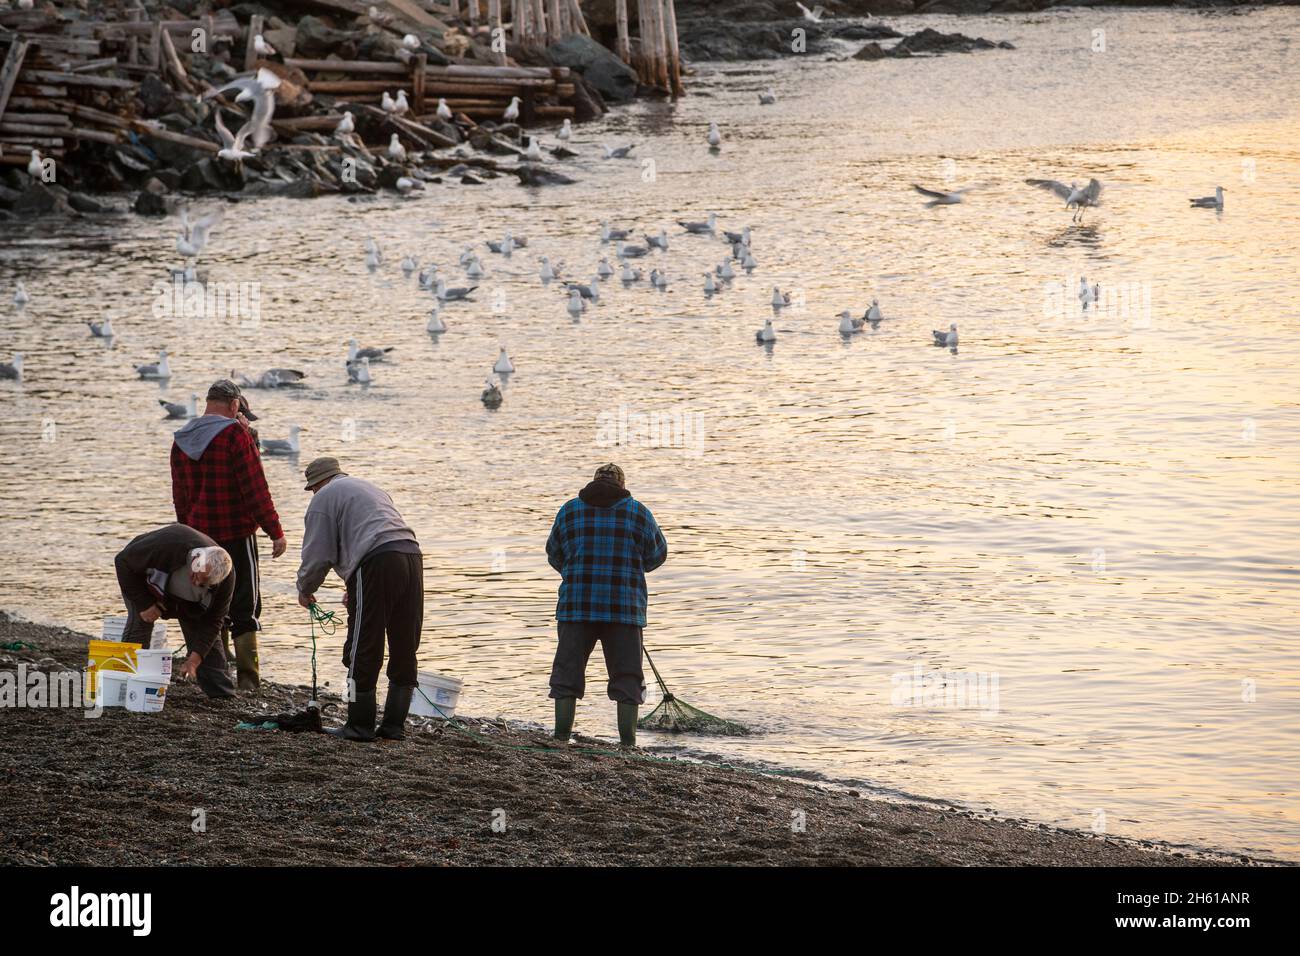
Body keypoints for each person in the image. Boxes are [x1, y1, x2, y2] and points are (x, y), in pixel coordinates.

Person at [295, 457, 424, 742]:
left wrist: (305, 588)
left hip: (377, 561)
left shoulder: (322, 499)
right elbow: (374, 531)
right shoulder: (369, 488)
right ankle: (393, 727)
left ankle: (359, 725)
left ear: (318, 484)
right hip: (411, 556)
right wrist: (356, 584)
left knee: (362, 644)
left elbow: (317, 554)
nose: (314, 494)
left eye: (312, 489)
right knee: (405, 642)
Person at [170, 379, 287, 692]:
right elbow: (255, 488)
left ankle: (216, 675)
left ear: (209, 403)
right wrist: (274, 530)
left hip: (197, 536)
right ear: (235, 405)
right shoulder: (236, 435)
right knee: (245, 606)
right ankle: (249, 679)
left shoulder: (182, 438)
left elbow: (179, 494)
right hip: (235, 534)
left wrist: (186, 532)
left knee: (209, 602)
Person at [545, 463, 667, 747]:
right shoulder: (639, 512)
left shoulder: (569, 511)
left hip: (576, 608)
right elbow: (658, 555)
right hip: (624, 611)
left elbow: (553, 554)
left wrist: (574, 573)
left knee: (567, 673)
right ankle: (628, 744)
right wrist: (632, 568)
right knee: (627, 678)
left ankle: (561, 738)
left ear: (593, 482)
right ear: (622, 486)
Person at [114, 524, 237, 698]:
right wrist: (145, 604)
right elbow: (122, 562)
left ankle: (221, 693)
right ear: (196, 559)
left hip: (189, 602)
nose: (196, 583)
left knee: (204, 639)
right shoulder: (168, 544)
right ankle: (124, 685)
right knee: (140, 626)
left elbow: (213, 622)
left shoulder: (226, 580)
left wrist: (194, 660)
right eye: (195, 575)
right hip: (144, 583)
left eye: (202, 584)